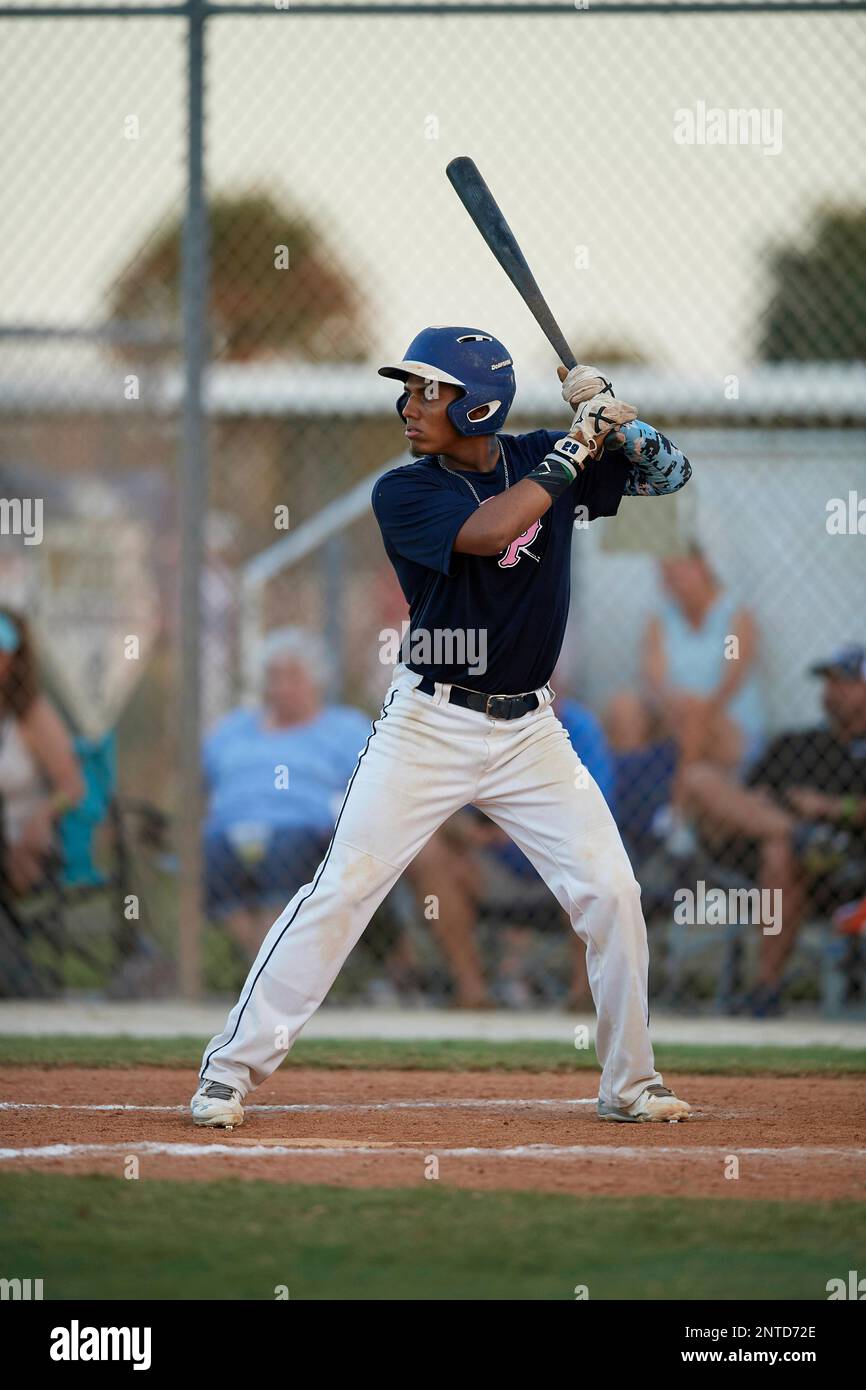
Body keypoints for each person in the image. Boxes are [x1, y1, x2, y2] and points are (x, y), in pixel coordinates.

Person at [192, 326, 694, 1128]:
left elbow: (670, 475)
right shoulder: (405, 490)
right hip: (428, 724)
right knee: (343, 888)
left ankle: (631, 1083)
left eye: (432, 390)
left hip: (531, 732)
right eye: (411, 389)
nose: (411, 405)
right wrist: (578, 442)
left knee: (612, 890)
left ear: (481, 403)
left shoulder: (541, 449)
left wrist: (615, 419)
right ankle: (230, 1070)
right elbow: (494, 530)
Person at [679, 644, 866, 1014]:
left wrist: (828, 806)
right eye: (828, 682)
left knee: (780, 850)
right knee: (699, 778)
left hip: (842, 867)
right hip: (760, 851)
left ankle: (765, 987)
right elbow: (748, 793)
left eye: (845, 683)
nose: (832, 691)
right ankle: (796, 834)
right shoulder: (798, 743)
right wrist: (764, 807)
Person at [606, 545, 764, 852]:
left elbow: (730, 682)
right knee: (623, 706)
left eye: (681, 570)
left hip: (730, 725)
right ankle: (625, 813)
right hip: (676, 718)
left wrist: (694, 708)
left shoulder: (735, 616)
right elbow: (655, 680)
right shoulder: (661, 620)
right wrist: (672, 705)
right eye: (666, 574)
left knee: (695, 712)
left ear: (703, 568)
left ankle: (677, 818)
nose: (673, 580)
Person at [0, 609, 84, 897]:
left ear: (16, 658)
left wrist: (43, 817)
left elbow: (72, 787)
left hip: (22, 842)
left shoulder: (33, 716)